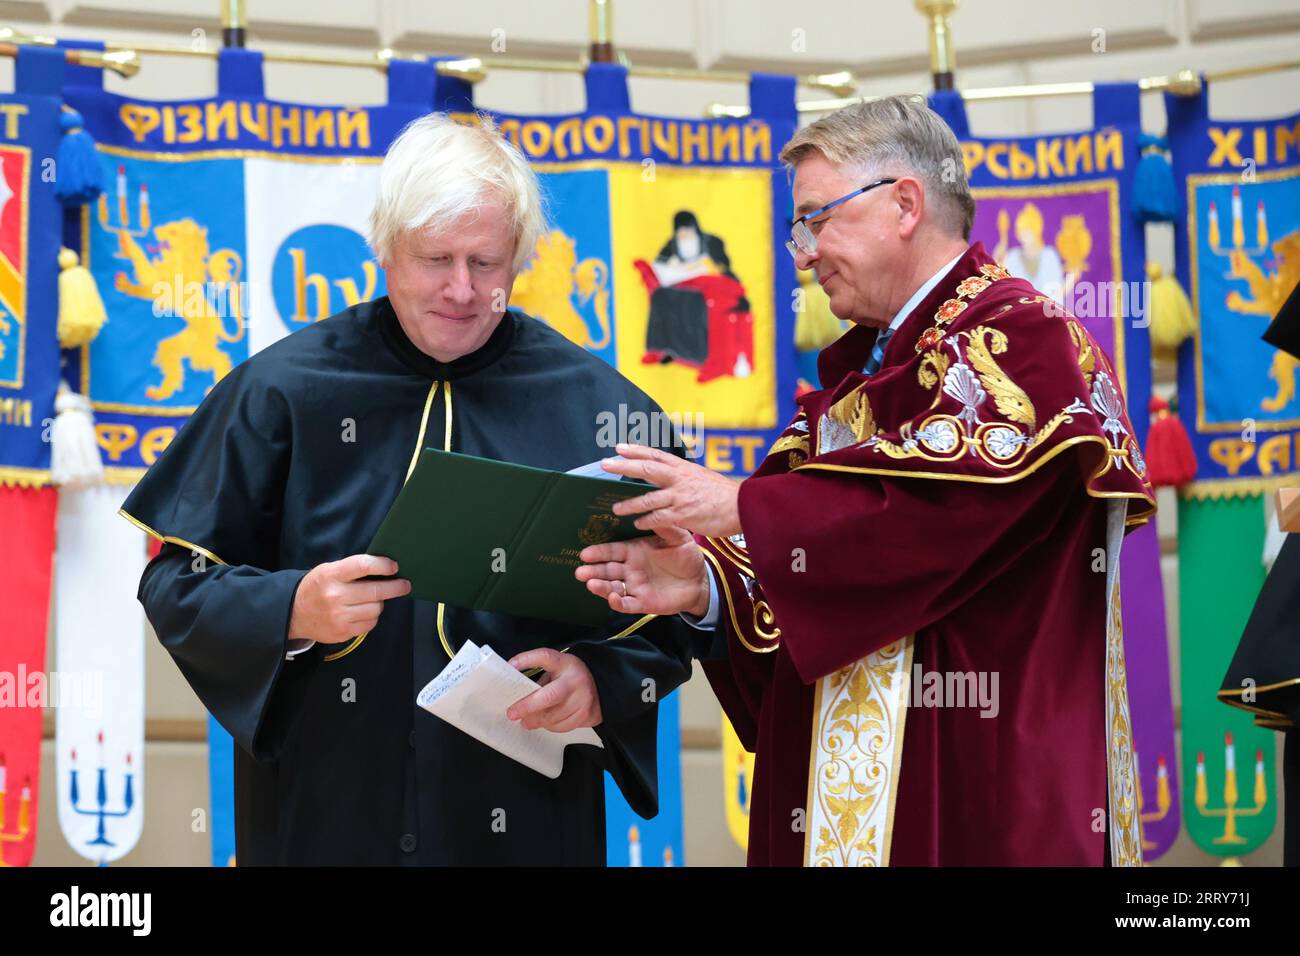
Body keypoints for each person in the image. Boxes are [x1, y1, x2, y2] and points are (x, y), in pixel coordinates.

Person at [577, 95, 1156, 866]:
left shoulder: (1020, 341)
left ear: (905, 204)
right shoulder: (864, 376)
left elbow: (931, 519)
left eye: (817, 220)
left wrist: (741, 503)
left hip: (977, 790)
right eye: (798, 228)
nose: (803, 253)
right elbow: (829, 566)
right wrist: (705, 587)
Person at [121, 113, 699, 865]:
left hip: (525, 816)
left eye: (487, 263)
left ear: (520, 260)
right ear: (386, 249)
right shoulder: (281, 391)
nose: (462, 289)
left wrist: (605, 681)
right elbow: (175, 582)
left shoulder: (604, 412)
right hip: (326, 809)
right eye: (436, 259)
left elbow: (683, 604)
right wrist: (290, 610)